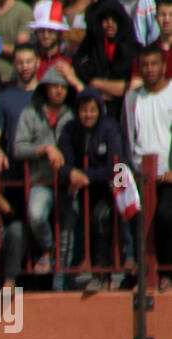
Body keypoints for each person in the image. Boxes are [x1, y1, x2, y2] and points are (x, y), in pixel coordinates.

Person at [55, 87, 121, 288]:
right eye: (84, 110)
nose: (88, 115)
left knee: (100, 217)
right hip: (76, 189)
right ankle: (69, 275)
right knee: (69, 220)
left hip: (105, 190)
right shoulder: (69, 129)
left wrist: (86, 176)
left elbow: (113, 166)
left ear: (99, 110)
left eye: (92, 110)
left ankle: (100, 271)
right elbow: (63, 164)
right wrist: (71, 174)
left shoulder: (109, 128)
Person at [12, 64, 73, 277]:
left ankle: (63, 278)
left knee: (70, 228)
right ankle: (47, 250)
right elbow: (18, 148)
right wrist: (45, 149)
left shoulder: (74, 113)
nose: (59, 91)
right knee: (35, 215)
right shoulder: (30, 113)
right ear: (45, 88)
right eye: (54, 86)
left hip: (69, 182)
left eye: (63, 87)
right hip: (41, 181)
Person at [124, 42, 172, 286]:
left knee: (165, 216)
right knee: (134, 218)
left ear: (164, 65)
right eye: (144, 65)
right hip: (140, 174)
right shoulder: (132, 98)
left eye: (154, 64)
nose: (149, 69)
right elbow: (130, 135)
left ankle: (166, 272)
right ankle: (139, 272)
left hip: (167, 174)